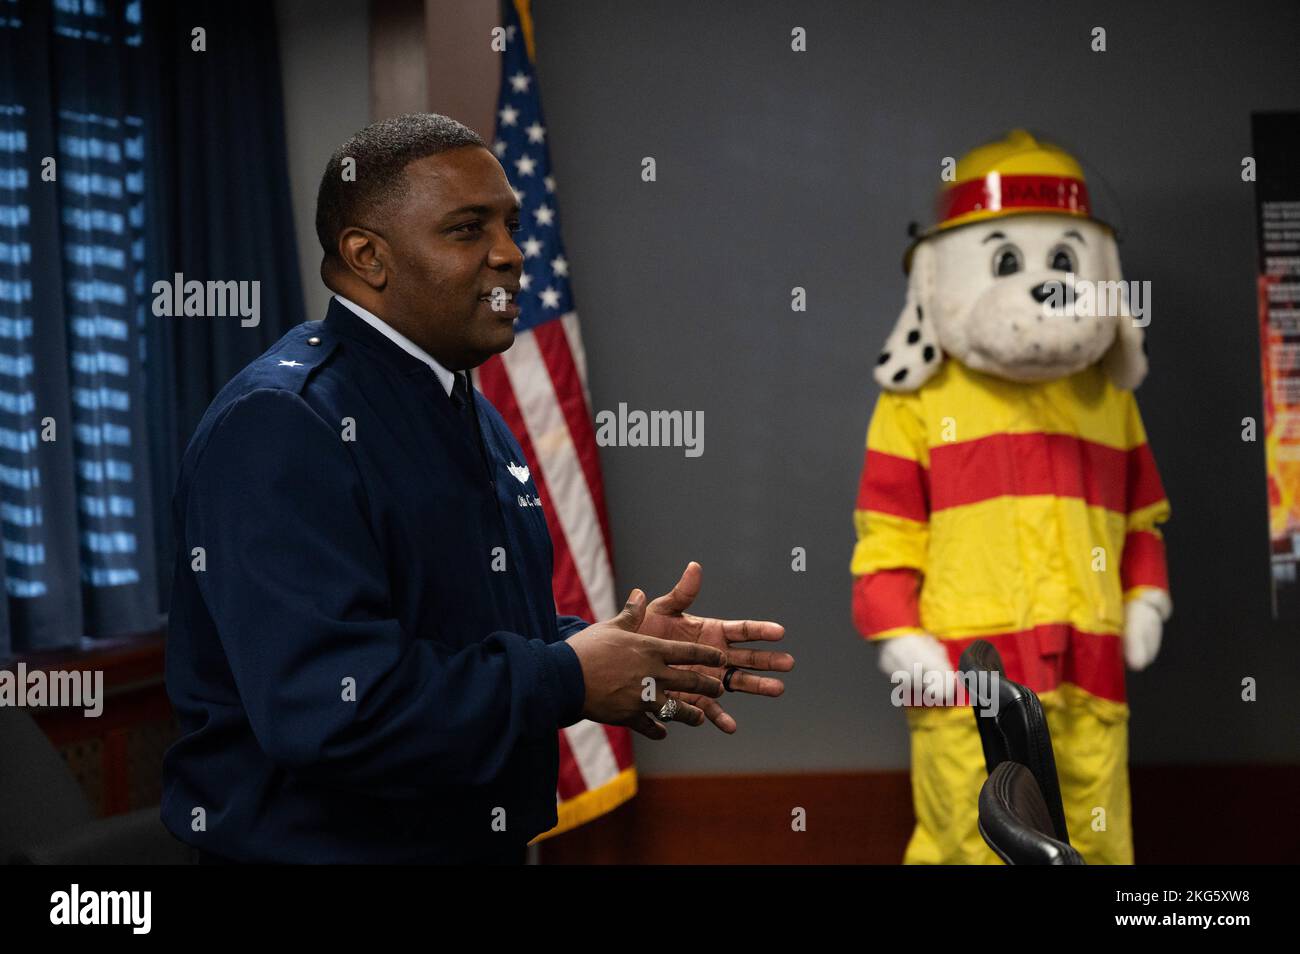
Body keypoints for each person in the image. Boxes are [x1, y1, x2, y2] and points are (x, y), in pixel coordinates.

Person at [161, 113, 793, 864]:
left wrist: (627, 650)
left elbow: (458, 630)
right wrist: (566, 675)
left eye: (512, 226)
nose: (510, 256)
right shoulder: (284, 422)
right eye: (467, 231)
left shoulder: (463, 406)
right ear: (368, 256)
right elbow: (334, 708)